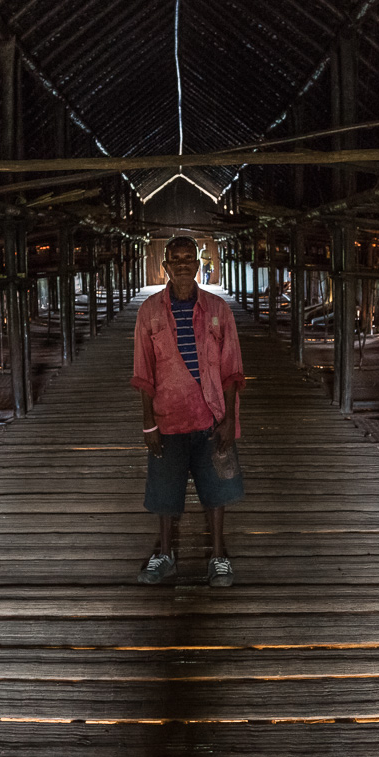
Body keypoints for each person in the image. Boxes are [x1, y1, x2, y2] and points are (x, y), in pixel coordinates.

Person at [131, 235, 245, 586]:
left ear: (198, 265)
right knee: (165, 491)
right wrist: (149, 425)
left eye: (188, 259)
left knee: (216, 490)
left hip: (210, 416)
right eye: (175, 259)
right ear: (165, 266)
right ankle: (165, 555)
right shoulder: (149, 311)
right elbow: (143, 372)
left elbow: (231, 368)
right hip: (168, 417)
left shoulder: (217, 309)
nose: (182, 265)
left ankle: (218, 556)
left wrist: (227, 419)